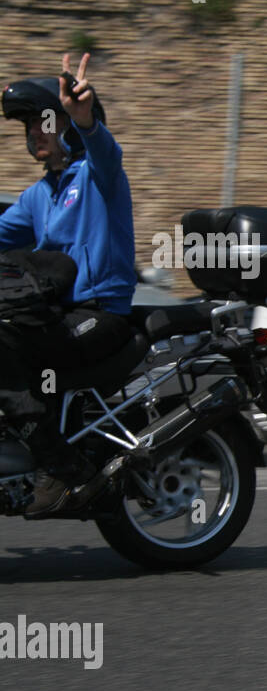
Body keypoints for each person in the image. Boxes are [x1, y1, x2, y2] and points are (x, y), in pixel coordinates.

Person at [0, 53, 136, 516]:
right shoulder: (39, 196)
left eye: (42, 121)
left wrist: (87, 120)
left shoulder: (99, 178)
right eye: (27, 126)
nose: (33, 131)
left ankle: (62, 467)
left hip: (101, 315)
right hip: (60, 315)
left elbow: (106, 153)